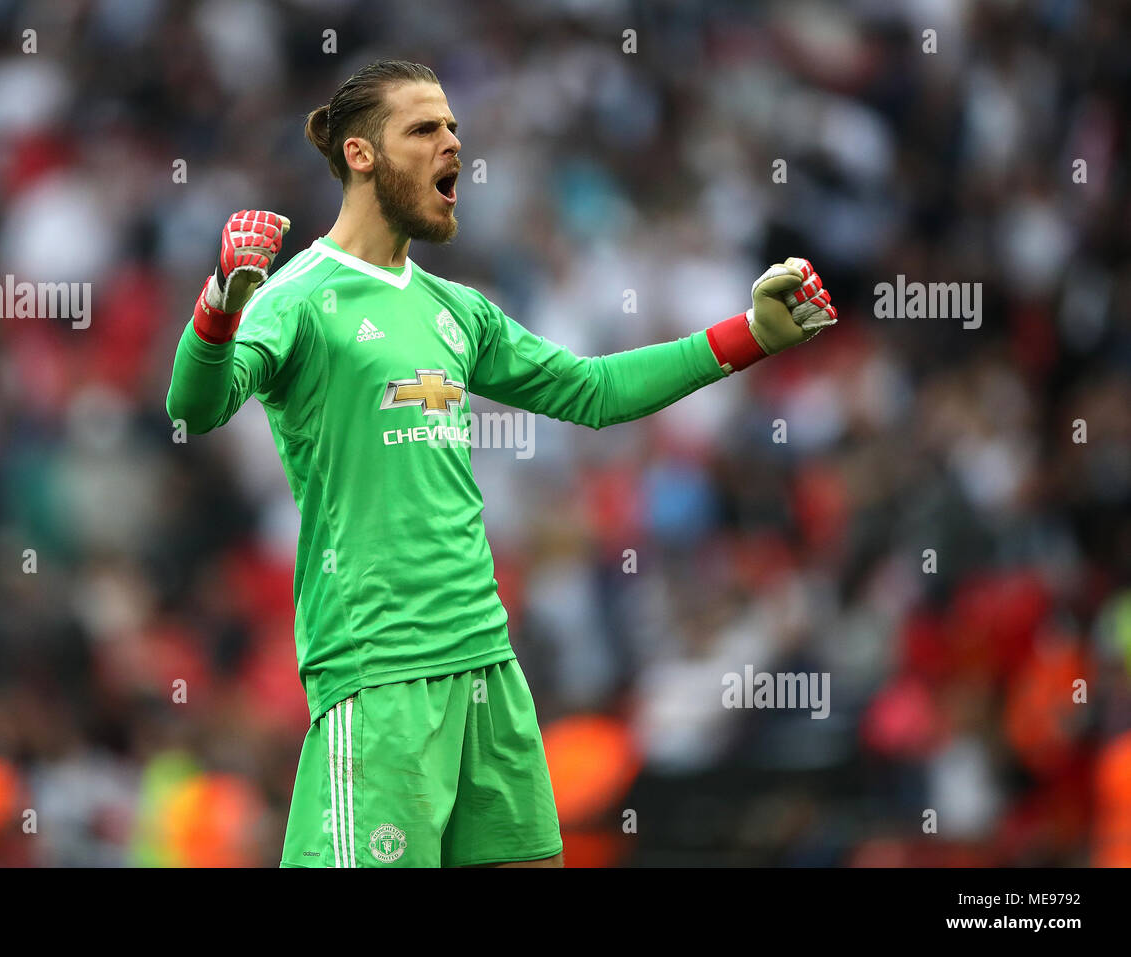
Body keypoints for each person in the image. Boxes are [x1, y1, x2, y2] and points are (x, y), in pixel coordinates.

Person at [165, 58, 838, 868]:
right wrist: (222, 303)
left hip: (487, 663)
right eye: (424, 129)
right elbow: (195, 406)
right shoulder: (299, 295)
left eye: (453, 127)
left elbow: (594, 391)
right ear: (360, 154)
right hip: (381, 672)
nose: (453, 143)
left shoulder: (457, 309)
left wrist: (750, 336)